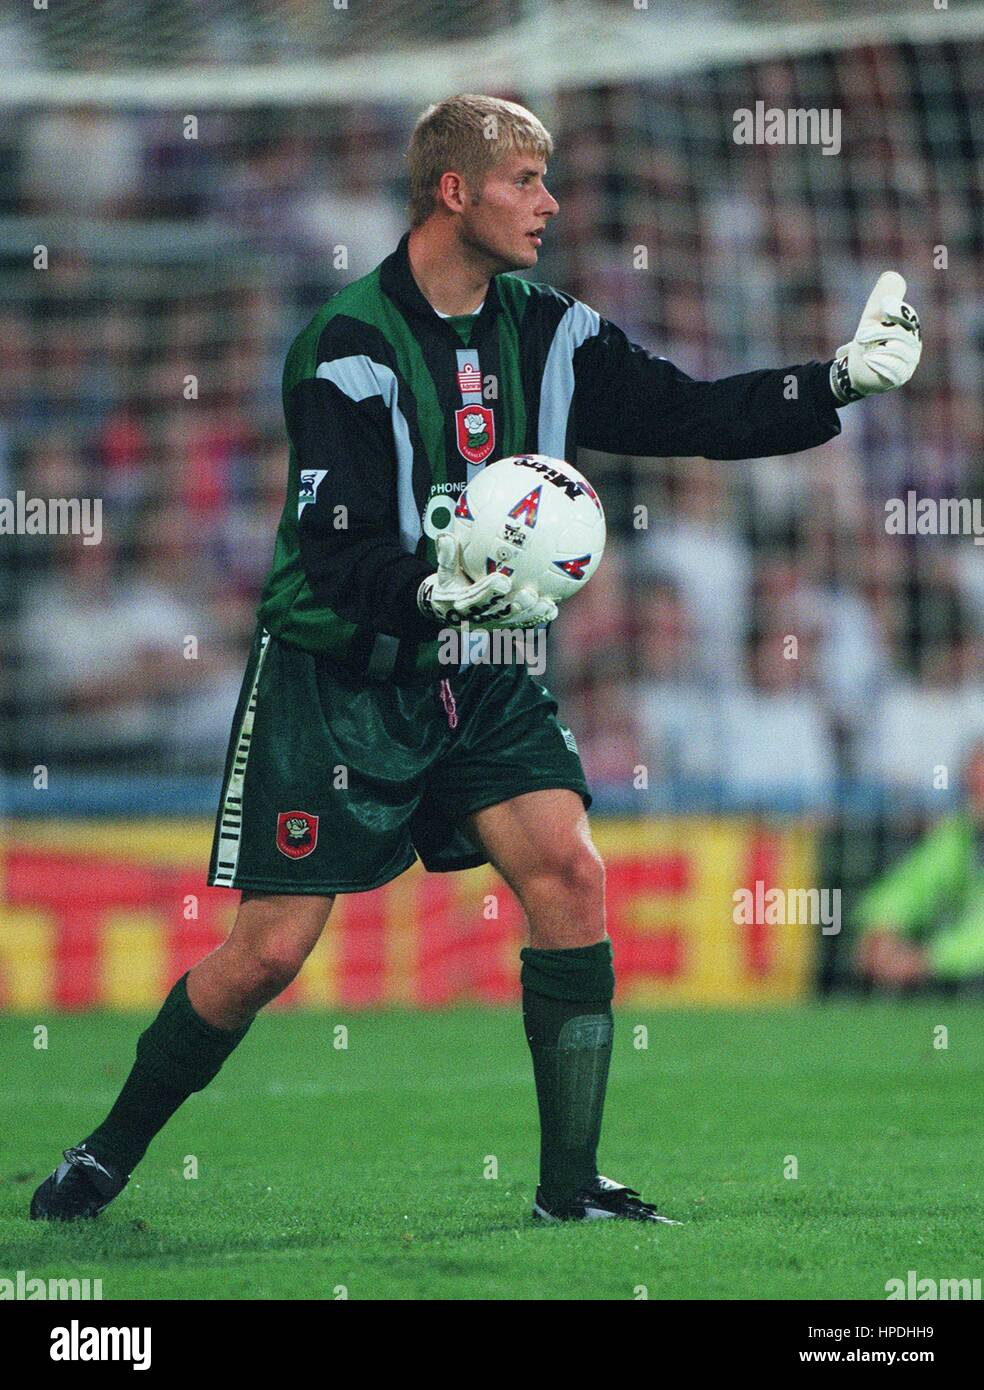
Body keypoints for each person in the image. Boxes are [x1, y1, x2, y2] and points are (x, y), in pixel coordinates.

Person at [32, 93, 922, 1225]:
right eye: (527, 181)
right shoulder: (345, 347)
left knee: (570, 872)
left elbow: (692, 410)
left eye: (548, 180)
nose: (550, 204)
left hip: (485, 668)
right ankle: (107, 1152)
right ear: (456, 191)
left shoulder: (550, 327)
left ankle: (568, 1188)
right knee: (266, 952)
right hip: (340, 677)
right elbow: (339, 553)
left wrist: (835, 382)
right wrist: (430, 589)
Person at [855, 742, 984, 988]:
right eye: (975, 788)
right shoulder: (960, 834)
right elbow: (912, 883)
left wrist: (924, 960)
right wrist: (881, 928)